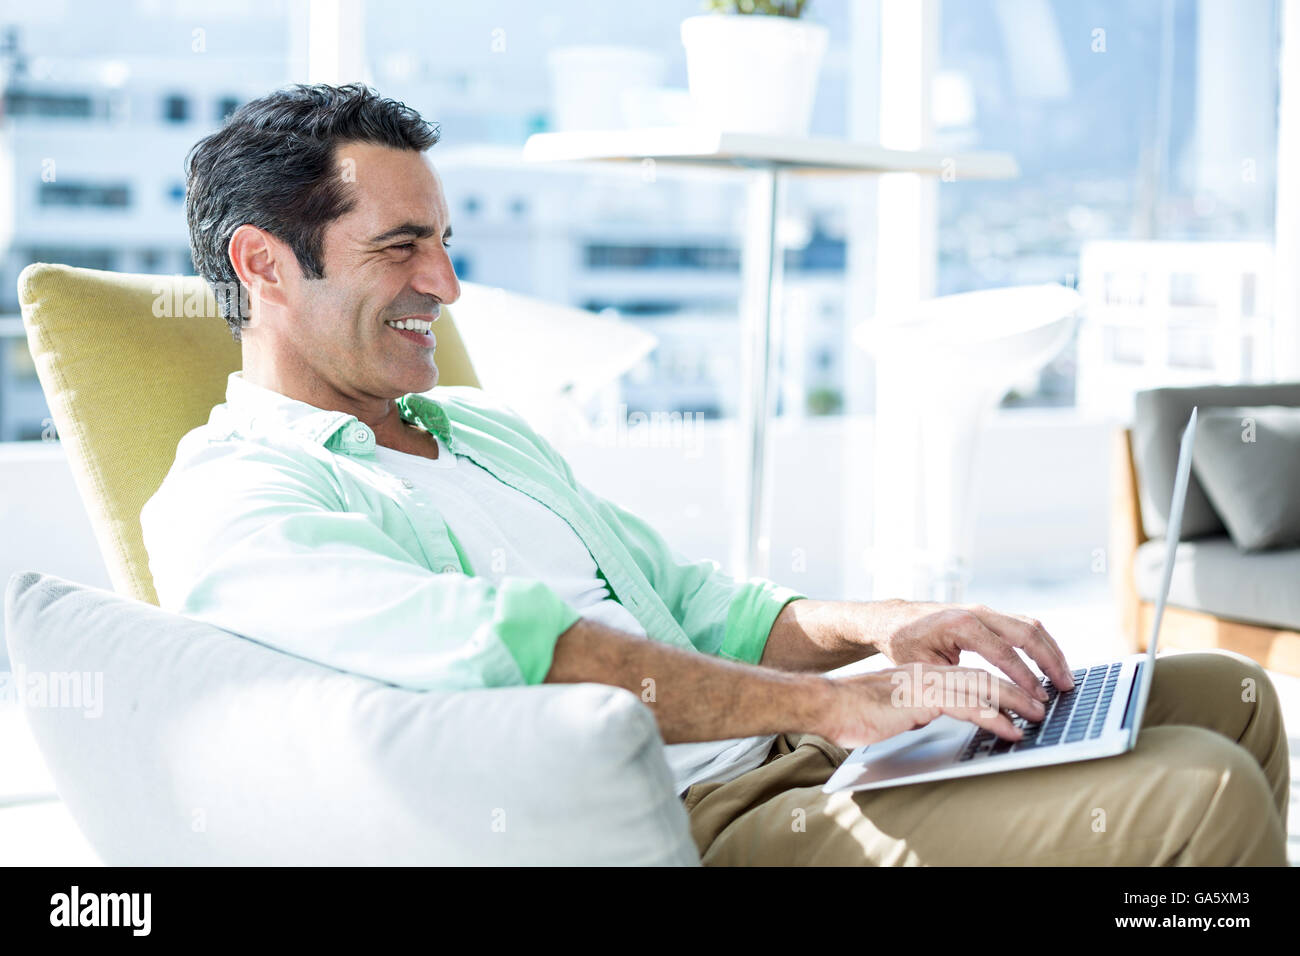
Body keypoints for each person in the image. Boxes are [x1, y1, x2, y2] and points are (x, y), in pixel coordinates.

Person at [142, 83, 1289, 866]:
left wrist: (896, 628)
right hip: (699, 817)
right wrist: (834, 704)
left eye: (442, 242)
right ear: (265, 264)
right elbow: (515, 655)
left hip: (787, 748)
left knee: (1224, 693)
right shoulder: (237, 499)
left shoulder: (481, 433)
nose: (445, 283)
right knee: (1203, 790)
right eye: (400, 246)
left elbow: (704, 608)